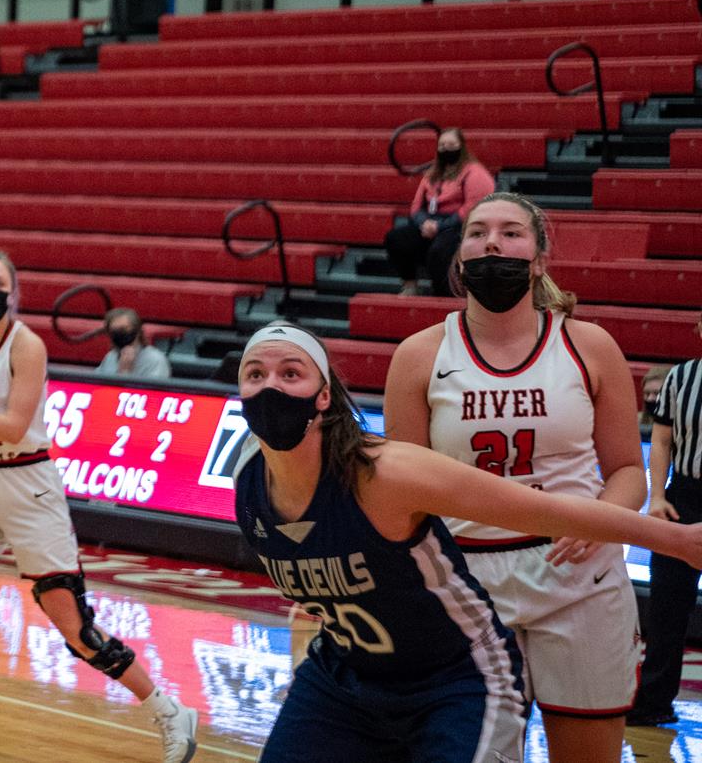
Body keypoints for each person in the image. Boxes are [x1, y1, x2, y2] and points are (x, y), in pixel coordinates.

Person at [234, 321, 702, 763]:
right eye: (255, 374)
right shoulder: (249, 477)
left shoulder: (386, 473)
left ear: (324, 396)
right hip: (345, 676)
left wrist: (678, 539)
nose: (271, 386)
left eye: (290, 373)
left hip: (456, 679)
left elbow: (545, 510)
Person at [0, 250, 198, 763]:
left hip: (28, 485)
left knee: (75, 629)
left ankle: (168, 709)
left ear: (12, 293)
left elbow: (14, 426)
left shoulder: (27, 345)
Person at [383, 191, 645, 763]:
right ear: (460, 258)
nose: (493, 244)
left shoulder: (589, 345)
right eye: (478, 233)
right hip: (466, 581)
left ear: (539, 258)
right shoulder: (419, 355)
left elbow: (628, 470)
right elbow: (401, 488)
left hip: (579, 574)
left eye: (511, 232)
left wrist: (601, 521)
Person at [632, 316, 702, 728]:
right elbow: (660, 440)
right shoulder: (679, 378)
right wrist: (657, 496)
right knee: (666, 609)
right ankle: (654, 702)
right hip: (684, 497)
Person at [383, 128, 494, 296]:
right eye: (442, 145)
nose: (446, 149)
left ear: (461, 146)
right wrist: (424, 223)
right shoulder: (432, 172)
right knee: (396, 238)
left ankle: (443, 293)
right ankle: (410, 285)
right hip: (430, 222)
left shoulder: (474, 172)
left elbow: (473, 207)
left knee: (440, 250)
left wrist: (440, 226)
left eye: (451, 145)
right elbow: (416, 206)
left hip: (458, 226)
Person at [95, 307, 172, 381]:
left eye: (123, 329)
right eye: (114, 330)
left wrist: (125, 372)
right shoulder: (111, 356)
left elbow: (153, 389)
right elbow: (96, 382)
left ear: (137, 330)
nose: (118, 333)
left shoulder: (155, 360)